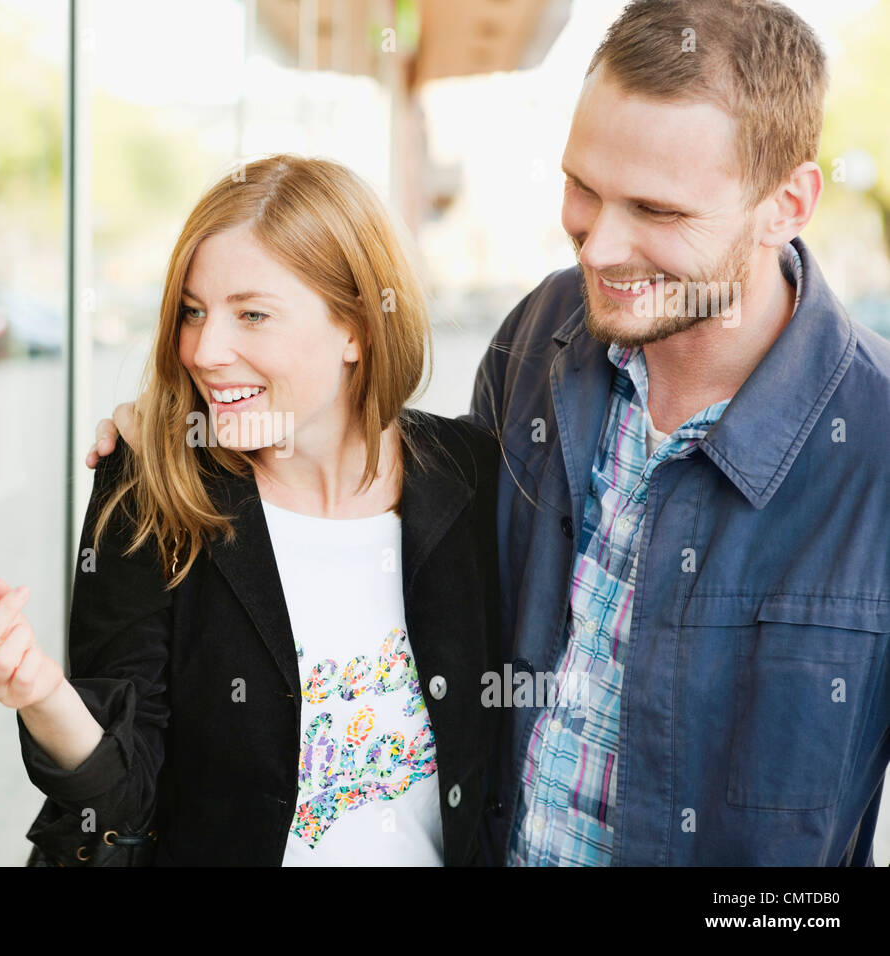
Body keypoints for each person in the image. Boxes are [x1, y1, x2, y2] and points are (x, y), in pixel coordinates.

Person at [91, 0, 890, 866]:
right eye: (584, 187)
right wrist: (192, 429)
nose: (599, 247)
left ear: (788, 203)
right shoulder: (538, 339)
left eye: (657, 211)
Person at [0, 154, 503, 866]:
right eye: (193, 311)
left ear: (358, 328)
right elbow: (121, 803)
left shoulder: (471, 477)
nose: (205, 350)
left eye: (252, 313)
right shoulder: (151, 489)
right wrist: (42, 695)